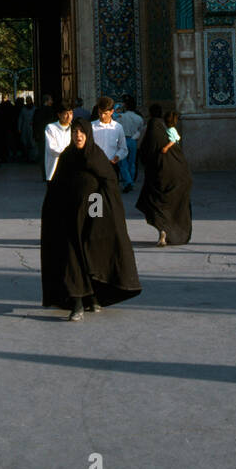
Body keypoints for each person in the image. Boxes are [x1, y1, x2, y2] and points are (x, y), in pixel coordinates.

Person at [41, 118, 141, 321]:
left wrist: (94, 214)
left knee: (90, 256)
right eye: (75, 132)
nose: (78, 135)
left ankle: (92, 296)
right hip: (69, 219)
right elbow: (57, 187)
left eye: (82, 132)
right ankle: (77, 302)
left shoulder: (96, 156)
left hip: (91, 218)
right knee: (72, 257)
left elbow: (108, 185)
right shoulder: (68, 157)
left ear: (88, 134)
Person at [136, 105, 193, 247]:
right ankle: (173, 231)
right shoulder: (168, 135)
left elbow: (144, 152)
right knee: (174, 205)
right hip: (177, 178)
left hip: (157, 178)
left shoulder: (150, 133)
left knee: (157, 204)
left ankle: (162, 229)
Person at [91, 96, 127, 176]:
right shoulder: (91, 126)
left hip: (112, 166)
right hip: (95, 166)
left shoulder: (118, 127)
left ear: (112, 112)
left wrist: (117, 156)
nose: (102, 116)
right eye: (100, 113)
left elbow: (123, 148)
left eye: (105, 113)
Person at [116, 95, 144, 194]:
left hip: (123, 140)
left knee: (123, 163)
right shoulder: (138, 118)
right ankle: (130, 181)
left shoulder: (121, 117)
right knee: (132, 163)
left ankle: (127, 182)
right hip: (133, 141)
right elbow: (140, 130)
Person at [44, 102, 74, 182]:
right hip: (54, 171)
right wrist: (70, 152)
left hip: (71, 172)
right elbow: (52, 148)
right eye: (66, 114)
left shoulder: (74, 129)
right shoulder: (51, 128)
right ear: (59, 115)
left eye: (71, 113)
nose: (69, 116)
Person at [32, 94, 55, 175]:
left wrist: (35, 135)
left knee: (42, 155)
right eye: (50, 100)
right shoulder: (50, 110)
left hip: (40, 136)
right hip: (49, 136)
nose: (52, 102)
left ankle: (44, 174)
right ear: (47, 101)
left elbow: (34, 124)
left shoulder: (37, 110)